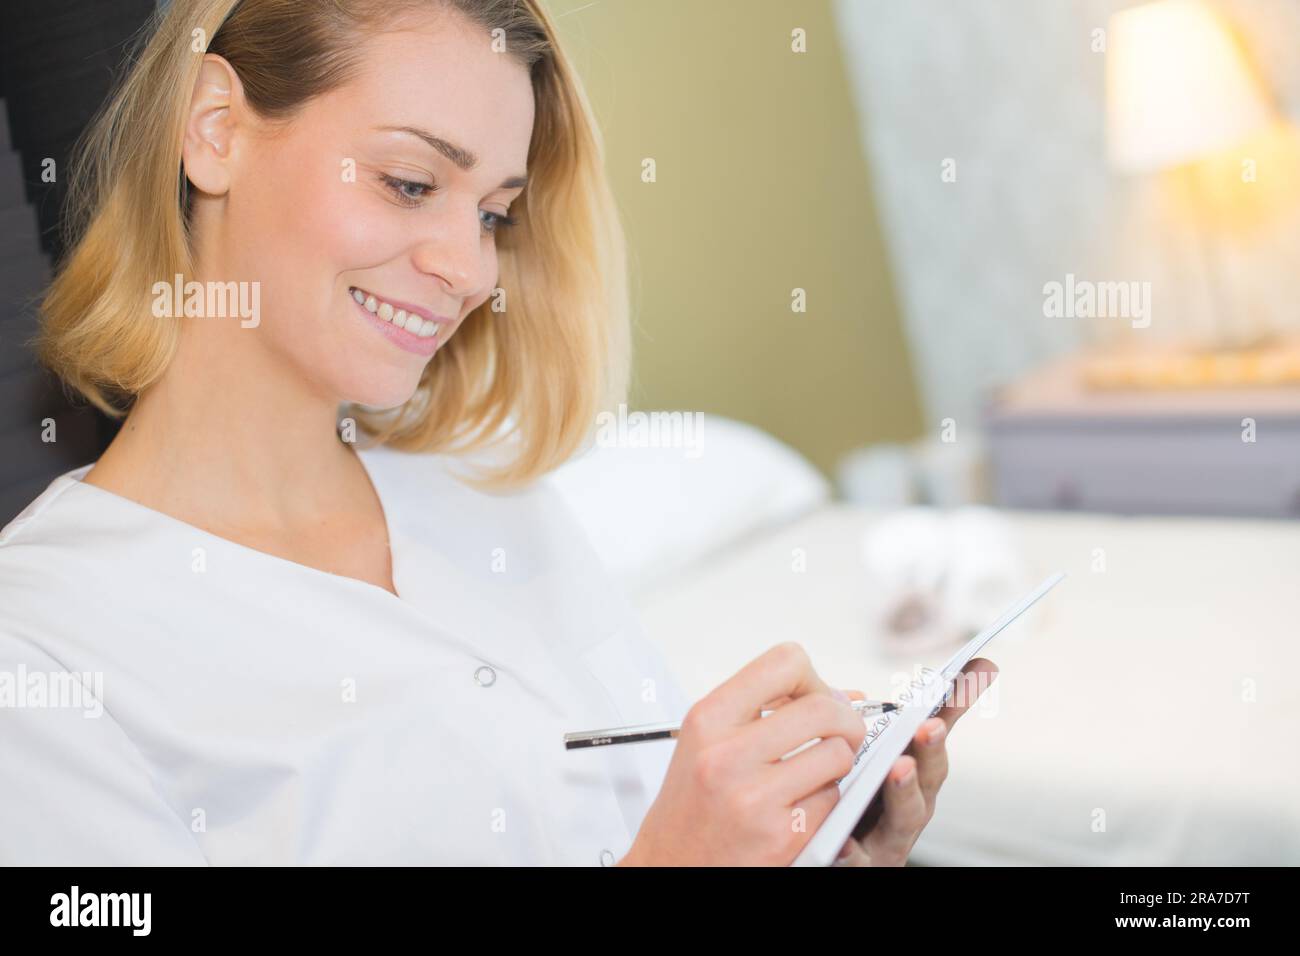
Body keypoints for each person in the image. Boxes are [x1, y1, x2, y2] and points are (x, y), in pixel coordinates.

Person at [0, 0, 995, 866]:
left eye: (493, 214)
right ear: (215, 128)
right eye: (408, 182)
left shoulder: (484, 492)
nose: (471, 271)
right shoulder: (44, 647)